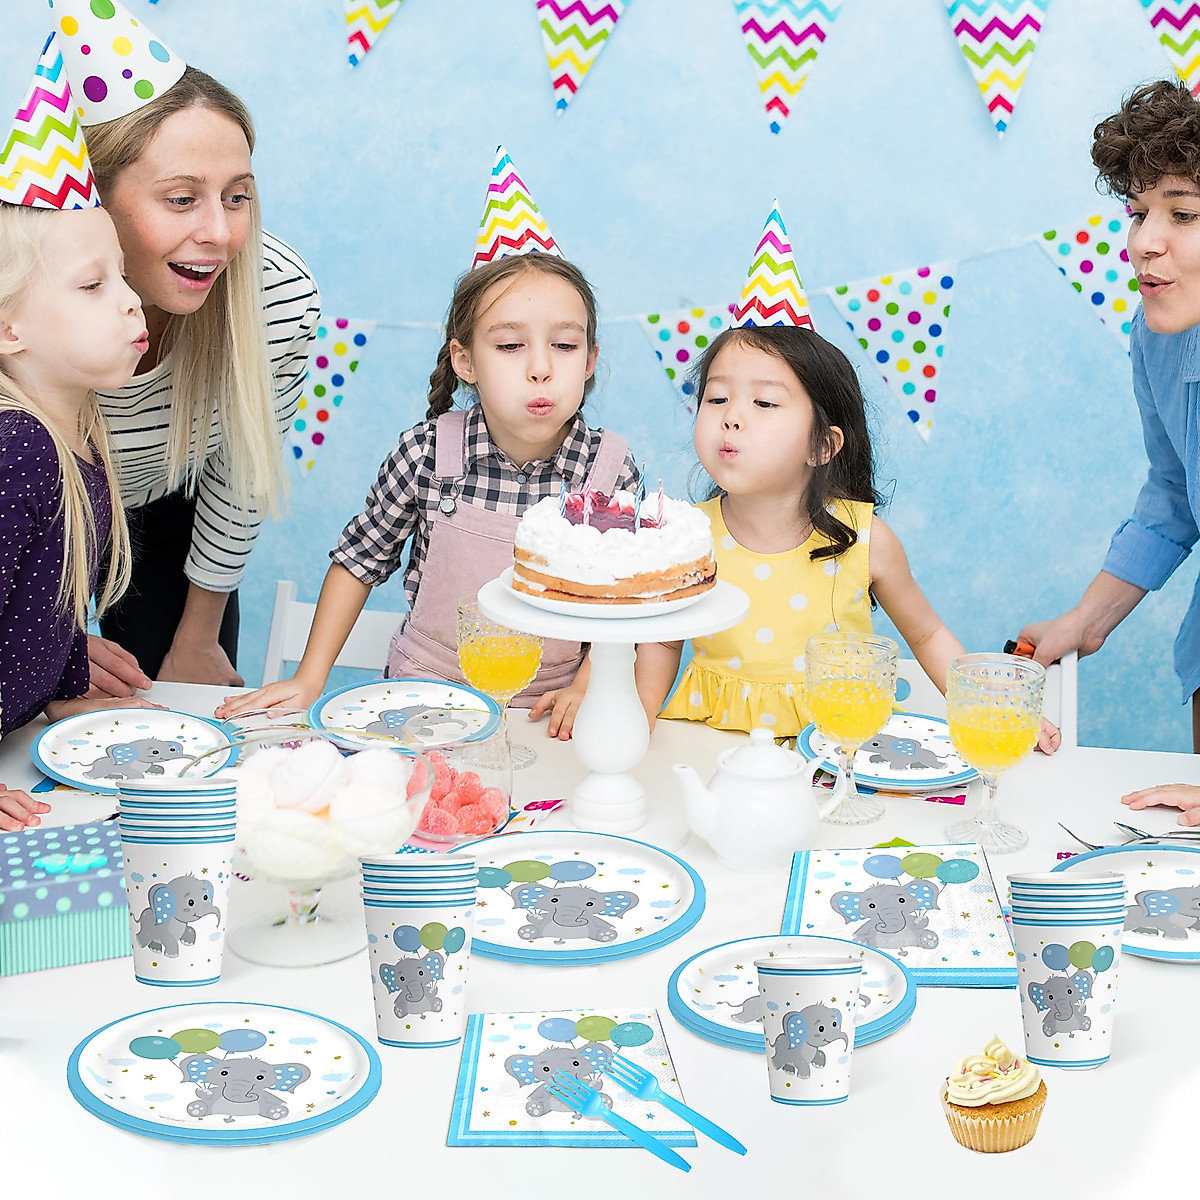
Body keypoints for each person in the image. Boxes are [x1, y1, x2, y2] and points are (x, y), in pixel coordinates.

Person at [633, 208, 1060, 751]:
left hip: (840, 752)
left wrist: (991, 706)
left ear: (823, 445)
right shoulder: (685, 538)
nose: (732, 416)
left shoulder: (866, 540)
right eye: (717, 398)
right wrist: (635, 727)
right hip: (713, 749)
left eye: (764, 402)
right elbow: (662, 645)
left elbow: (926, 633)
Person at [218, 251, 639, 729]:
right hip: (423, 701)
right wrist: (311, 677)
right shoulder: (427, 454)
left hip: (551, 716)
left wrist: (588, 683)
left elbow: (625, 600)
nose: (540, 368)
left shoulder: (609, 473)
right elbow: (359, 562)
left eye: (564, 345)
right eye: (510, 346)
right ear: (465, 360)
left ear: (590, 360)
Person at [52, 4, 320, 691]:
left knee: (175, 708)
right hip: (29, 520)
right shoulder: (18, 302)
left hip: (165, 510)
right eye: (180, 199)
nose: (220, 234)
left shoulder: (276, 296)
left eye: (236, 197)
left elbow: (241, 474)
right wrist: (50, 650)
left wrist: (197, 638)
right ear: (95, 199)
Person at [1018, 81, 1200, 821]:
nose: (1144, 241)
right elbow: (1174, 492)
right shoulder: (1156, 340)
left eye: (1183, 213)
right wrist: (1087, 619)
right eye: (1137, 210)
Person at [0, 35, 155, 829]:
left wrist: (60, 685)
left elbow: (43, 600)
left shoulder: (77, 440)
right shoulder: (16, 449)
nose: (131, 299)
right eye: (94, 284)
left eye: (121, 274)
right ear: (9, 328)